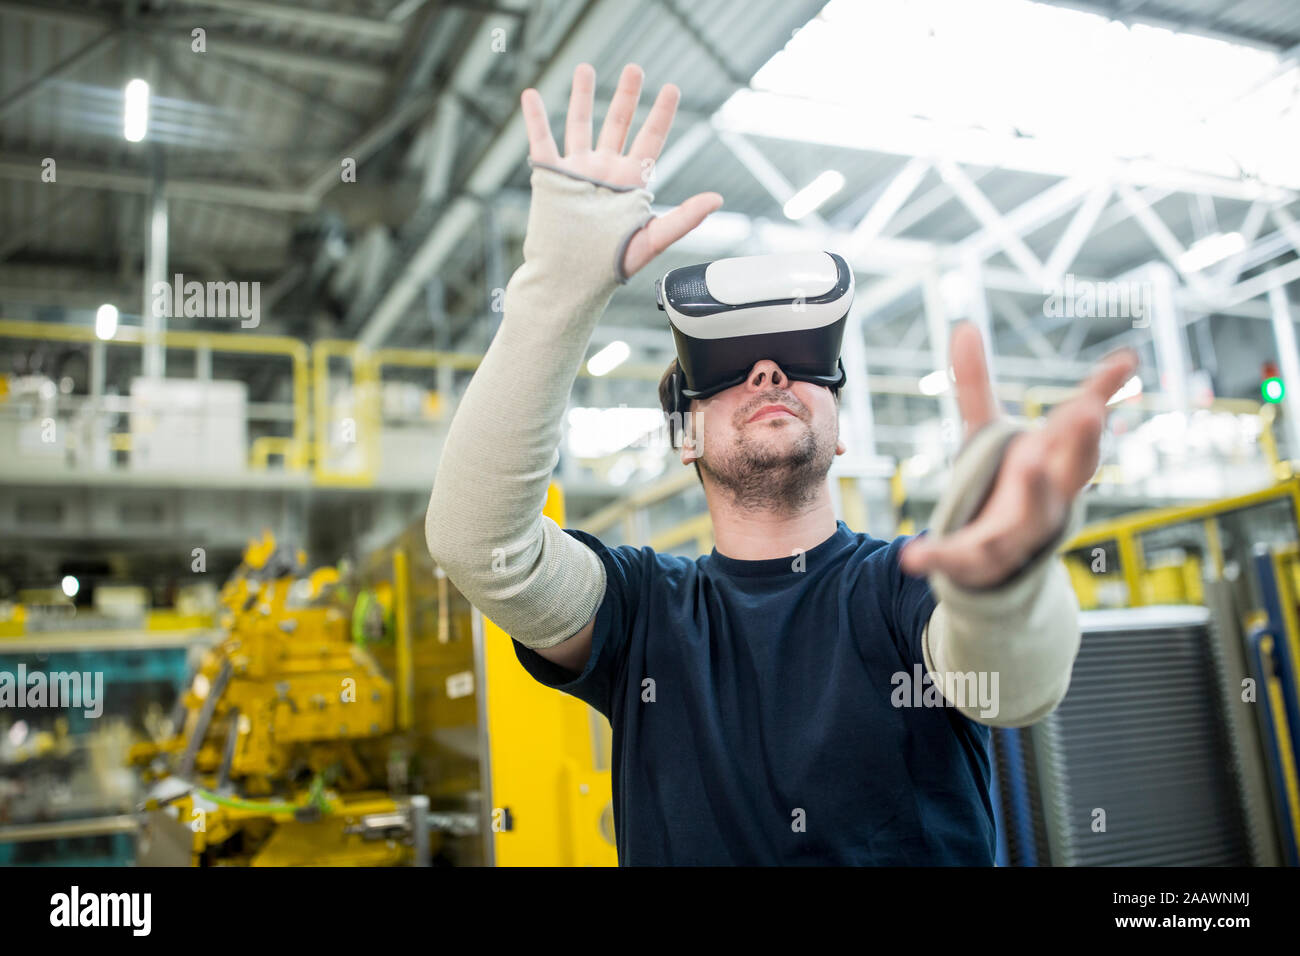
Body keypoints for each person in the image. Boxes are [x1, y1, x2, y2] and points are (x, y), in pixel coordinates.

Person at [425, 61, 1139, 865]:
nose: (768, 374)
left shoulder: (905, 585)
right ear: (684, 438)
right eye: (725, 368)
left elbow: (1009, 690)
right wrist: (559, 285)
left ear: (839, 432)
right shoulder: (642, 613)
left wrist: (1004, 589)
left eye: (800, 360)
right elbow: (476, 543)